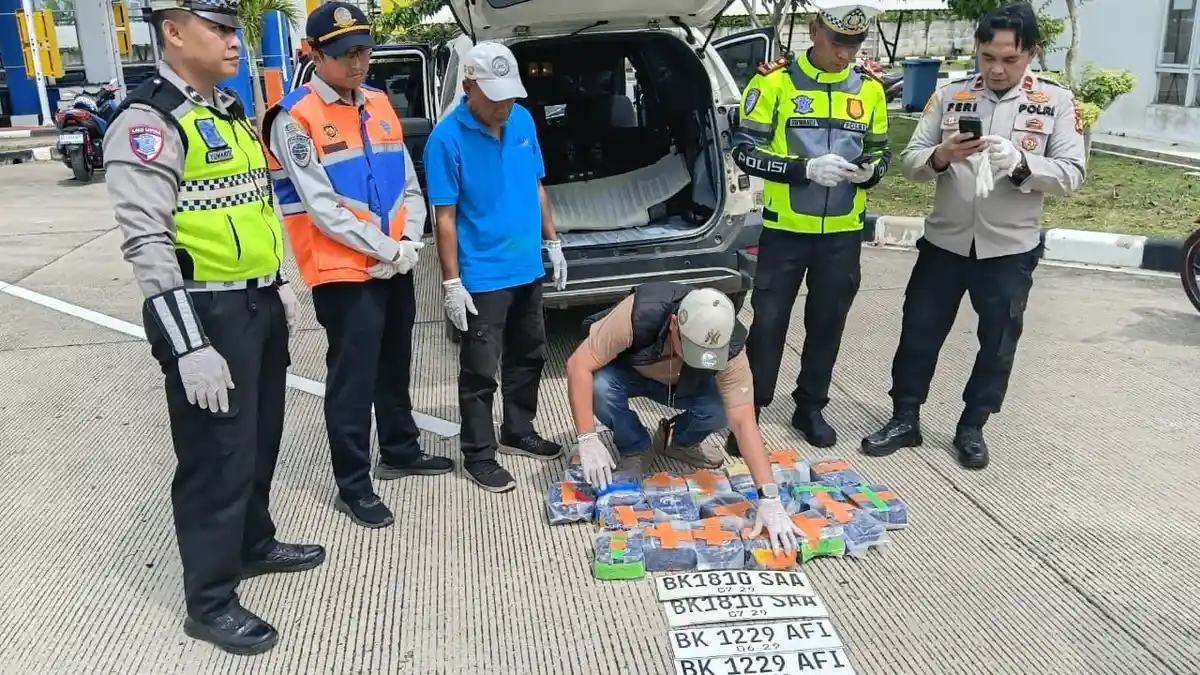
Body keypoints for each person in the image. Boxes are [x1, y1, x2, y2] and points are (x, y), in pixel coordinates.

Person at [102, 0, 324, 655]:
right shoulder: (150, 122)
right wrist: (190, 345)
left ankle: (253, 542)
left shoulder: (224, 111)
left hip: (256, 306)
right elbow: (147, 243)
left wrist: (277, 279)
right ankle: (210, 601)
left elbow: (254, 207)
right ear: (173, 32)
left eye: (234, 29)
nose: (234, 41)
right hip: (206, 314)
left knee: (258, 442)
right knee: (215, 460)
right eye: (219, 29)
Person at [861, 2, 1086, 469]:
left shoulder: (1055, 101)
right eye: (988, 57)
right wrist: (941, 155)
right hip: (945, 243)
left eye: (1009, 59)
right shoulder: (951, 94)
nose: (997, 69)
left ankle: (972, 426)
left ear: (1031, 53)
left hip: (1009, 249)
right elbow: (911, 160)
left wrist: (1022, 165)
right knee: (919, 331)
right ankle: (905, 417)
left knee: (998, 342)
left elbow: (1071, 173)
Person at [261, 1, 450, 530]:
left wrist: (408, 241)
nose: (358, 62)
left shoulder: (378, 102)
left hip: (396, 262)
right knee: (353, 380)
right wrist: (387, 249)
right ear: (314, 54)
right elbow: (321, 208)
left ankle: (400, 450)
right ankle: (354, 484)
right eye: (345, 53)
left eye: (363, 51)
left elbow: (408, 182)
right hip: (344, 272)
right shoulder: (294, 117)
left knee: (395, 362)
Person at [729, 0, 889, 453]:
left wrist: (869, 172)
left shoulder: (869, 88)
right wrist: (803, 169)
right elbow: (744, 151)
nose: (846, 53)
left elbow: (881, 152)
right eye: (838, 42)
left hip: (842, 232)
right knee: (768, 323)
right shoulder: (774, 81)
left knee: (827, 323)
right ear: (815, 30)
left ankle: (811, 406)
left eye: (855, 44)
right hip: (785, 231)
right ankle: (751, 411)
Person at [424, 41, 568, 493]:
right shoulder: (446, 139)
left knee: (529, 354)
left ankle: (518, 430)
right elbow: (444, 217)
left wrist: (553, 241)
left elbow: (537, 184)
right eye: (494, 97)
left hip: (527, 265)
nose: (504, 106)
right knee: (481, 369)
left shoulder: (521, 120)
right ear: (469, 87)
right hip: (484, 274)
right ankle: (479, 454)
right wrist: (451, 282)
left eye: (509, 96)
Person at [566, 283, 802, 553]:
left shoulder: (730, 344)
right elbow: (578, 365)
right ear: (674, 325)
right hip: (630, 375)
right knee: (598, 386)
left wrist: (769, 498)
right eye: (692, 349)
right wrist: (587, 437)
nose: (698, 359)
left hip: (687, 385)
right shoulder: (639, 313)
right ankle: (635, 447)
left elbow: (743, 421)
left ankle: (678, 441)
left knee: (722, 409)